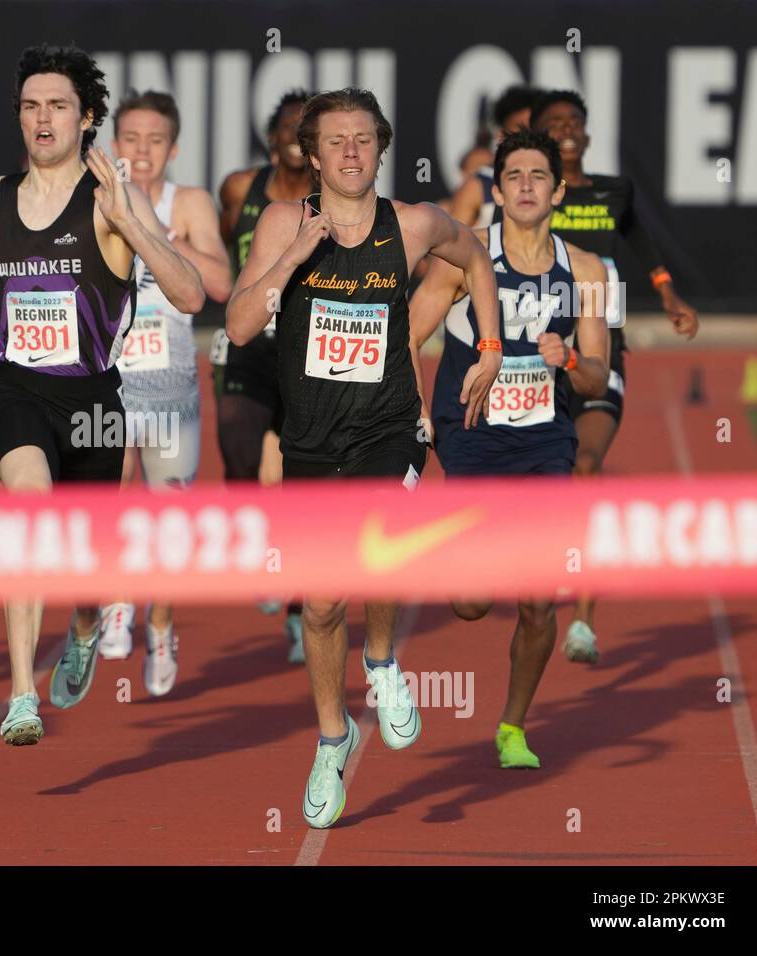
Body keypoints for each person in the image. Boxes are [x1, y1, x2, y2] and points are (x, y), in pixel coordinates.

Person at [0, 44, 204, 745]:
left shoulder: (114, 201)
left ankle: (81, 627)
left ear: (87, 118)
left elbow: (191, 293)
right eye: (31, 106)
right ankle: (21, 694)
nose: (43, 118)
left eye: (59, 106)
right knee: (28, 511)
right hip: (14, 387)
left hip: (96, 401)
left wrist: (132, 223)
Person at [226, 89, 501, 828]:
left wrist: (491, 348)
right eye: (335, 141)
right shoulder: (284, 222)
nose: (350, 151)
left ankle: (381, 662)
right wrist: (294, 256)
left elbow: (475, 259)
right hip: (310, 440)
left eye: (362, 139)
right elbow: (242, 325)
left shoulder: (411, 226)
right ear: (311, 156)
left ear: (379, 148)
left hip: (388, 428)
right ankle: (331, 738)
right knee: (319, 604)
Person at [411, 129, 610, 768]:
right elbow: (406, 338)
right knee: (469, 604)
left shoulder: (585, 270)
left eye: (538, 175)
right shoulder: (464, 259)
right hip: (472, 434)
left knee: (538, 596)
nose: (526, 185)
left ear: (558, 190)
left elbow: (597, 379)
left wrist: (570, 356)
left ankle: (513, 727)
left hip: (546, 440)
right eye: (514, 176)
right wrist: (414, 409)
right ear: (496, 191)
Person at [530, 89, 700, 664]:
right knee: (549, 481)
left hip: (604, 351)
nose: (568, 130)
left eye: (575, 121)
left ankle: (583, 621)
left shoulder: (614, 191)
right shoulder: (534, 197)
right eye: (555, 124)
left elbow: (641, 242)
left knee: (585, 464)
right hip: (543, 358)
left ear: (588, 133)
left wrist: (669, 295)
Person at [96, 90, 233, 692]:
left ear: (172, 148)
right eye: (131, 138)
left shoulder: (192, 202)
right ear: (113, 145)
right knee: (116, 490)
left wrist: (159, 238)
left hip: (173, 383)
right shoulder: (95, 198)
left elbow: (224, 284)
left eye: (155, 140)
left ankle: (163, 625)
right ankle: (117, 603)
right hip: (111, 376)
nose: (143, 150)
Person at [215, 89, 313, 660]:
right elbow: (228, 247)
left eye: (307, 129)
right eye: (287, 127)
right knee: (236, 445)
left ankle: (301, 605)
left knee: (305, 476)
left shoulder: (334, 200)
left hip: (308, 355)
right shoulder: (239, 190)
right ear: (272, 138)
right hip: (249, 345)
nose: (295, 137)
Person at [448, 86, 537, 228]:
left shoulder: (555, 183)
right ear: (501, 135)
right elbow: (449, 245)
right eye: (521, 131)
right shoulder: (478, 186)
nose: (529, 139)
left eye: (536, 130)